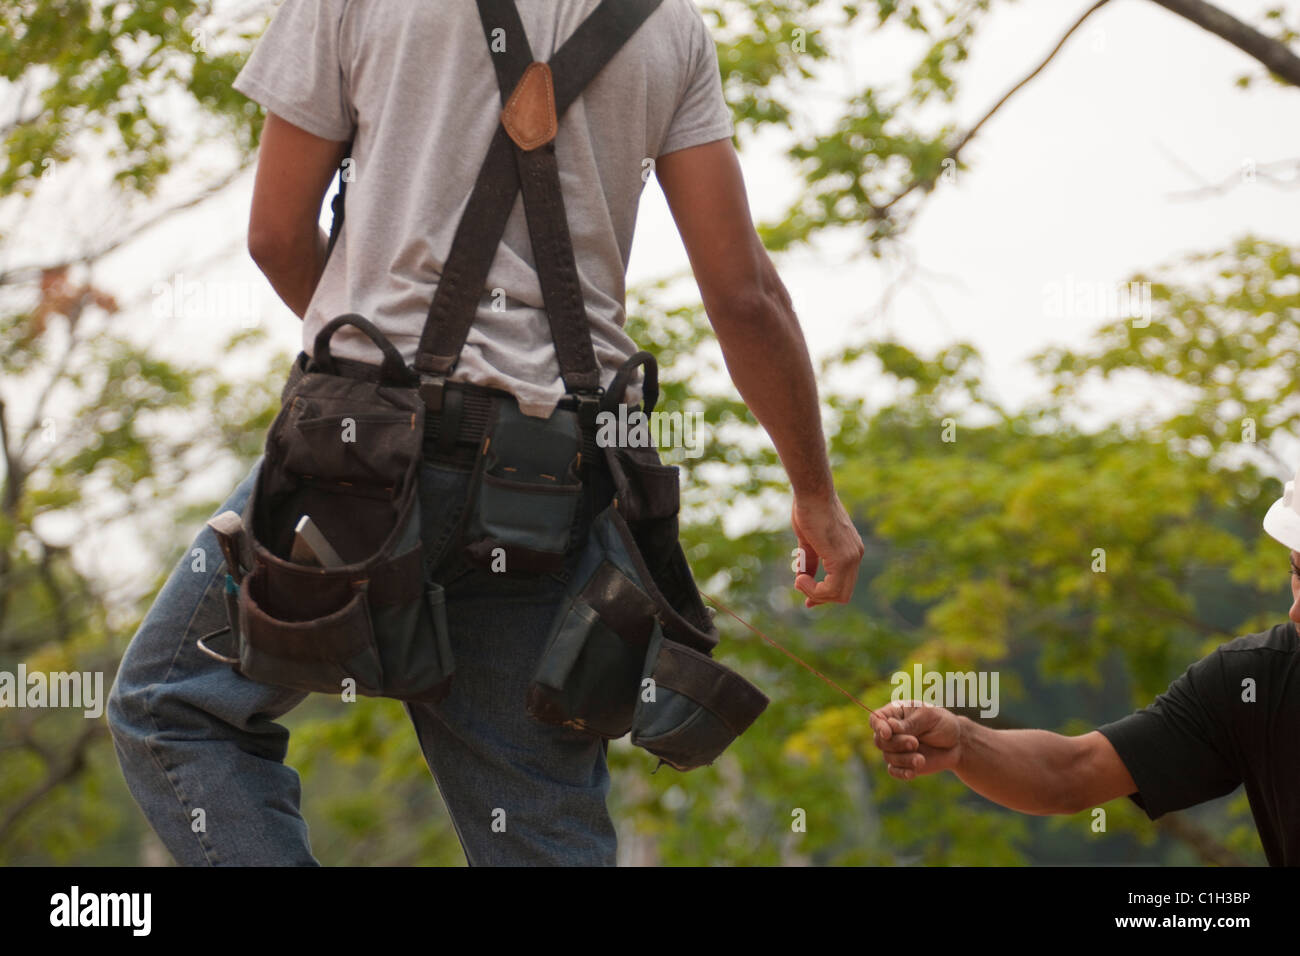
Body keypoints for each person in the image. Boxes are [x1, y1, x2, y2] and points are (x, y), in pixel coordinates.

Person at [107, 0, 863, 866]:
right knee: (538, 830)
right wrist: (815, 493)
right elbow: (744, 296)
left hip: (362, 461)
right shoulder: (669, 26)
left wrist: (379, 378)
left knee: (174, 703)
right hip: (548, 477)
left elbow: (278, 235)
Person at [871, 462, 1300, 866]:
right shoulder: (1253, 680)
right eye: (1298, 570)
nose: (1295, 611)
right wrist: (963, 742)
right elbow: (1071, 774)